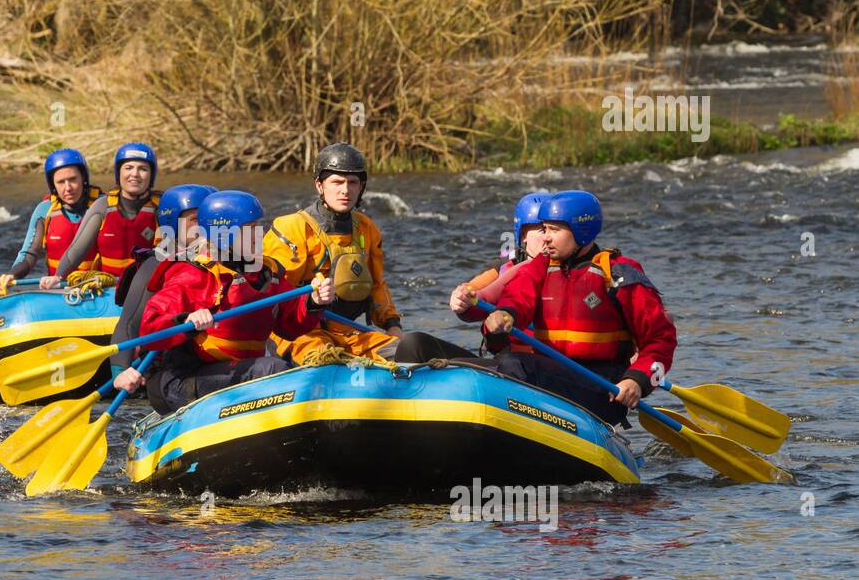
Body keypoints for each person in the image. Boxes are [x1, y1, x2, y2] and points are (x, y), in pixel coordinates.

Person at [481, 190, 677, 427]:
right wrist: (505, 314)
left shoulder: (617, 274)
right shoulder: (540, 267)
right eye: (544, 229)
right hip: (552, 376)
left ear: (581, 231)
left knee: (514, 365)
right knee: (457, 356)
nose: (546, 238)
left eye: (555, 230)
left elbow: (661, 340)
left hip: (601, 389)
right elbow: (518, 297)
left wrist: (637, 380)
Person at [265, 142, 469, 364]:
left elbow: (376, 286)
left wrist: (393, 325)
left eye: (353, 183)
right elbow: (274, 294)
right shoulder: (292, 228)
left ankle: (483, 368)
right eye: (337, 182)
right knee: (328, 358)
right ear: (319, 185)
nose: (345, 190)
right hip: (298, 336)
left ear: (361, 187)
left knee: (412, 349)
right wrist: (311, 300)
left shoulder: (366, 228)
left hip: (350, 336)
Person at [138, 190, 334, 412]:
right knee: (272, 368)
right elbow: (149, 329)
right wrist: (186, 321)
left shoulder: (264, 273)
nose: (258, 236)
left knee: (295, 370)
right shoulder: (193, 274)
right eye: (249, 230)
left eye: (257, 227)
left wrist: (313, 302)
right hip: (182, 380)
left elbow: (289, 325)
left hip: (237, 370)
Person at [111, 183, 217, 405]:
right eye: (196, 220)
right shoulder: (155, 262)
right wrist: (120, 372)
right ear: (173, 225)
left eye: (210, 218)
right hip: (170, 373)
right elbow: (128, 324)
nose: (206, 227)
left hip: (214, 364)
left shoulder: (228, 259)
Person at [40, 142, 161, 287]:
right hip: (107, 287)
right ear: (119, 173)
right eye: (128, 168)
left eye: (143, 169)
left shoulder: (163, 207)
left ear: (151, 175)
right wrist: (58, 276)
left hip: (147, 286)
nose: (134, 174)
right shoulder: (102, 206)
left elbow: (173, 251)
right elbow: (77, 249)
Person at [0, 148, 101, 294]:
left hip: (98, 288)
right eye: (61, 182)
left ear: (83, 177)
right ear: (53, 185)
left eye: (73, 179)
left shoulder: (103, 206)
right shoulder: (45, 211)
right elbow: (29, 253)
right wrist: (12, 275)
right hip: (58, 288)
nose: (68, 188)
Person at [449, 192, 549, 326]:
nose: (549, 237)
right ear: (524, 234)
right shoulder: (503, 266)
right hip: (510, 344)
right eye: (543, 230)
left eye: (554, 229)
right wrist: (460, 298)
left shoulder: (572, 268)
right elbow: (473, 290)